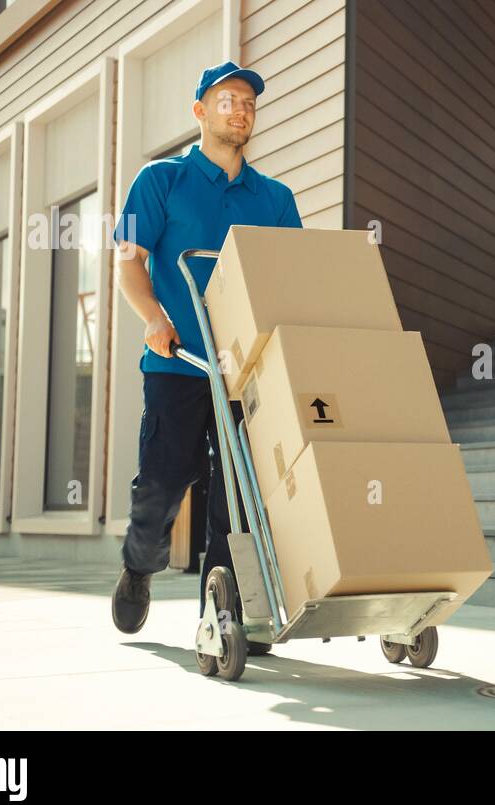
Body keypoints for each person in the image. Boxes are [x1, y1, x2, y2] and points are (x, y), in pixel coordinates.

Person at [110, 61, 302, 644]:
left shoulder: (274, 197)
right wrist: (154, 318)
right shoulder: (159, 181)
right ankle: (140, 567)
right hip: (179, 363)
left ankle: (224, 613)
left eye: (248, 101)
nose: (240, 109)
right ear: (200, 112)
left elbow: (292, 275)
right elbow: (128, 262)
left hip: (247, 373)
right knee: (164, 484)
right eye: (227, 100)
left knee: (237, 497)